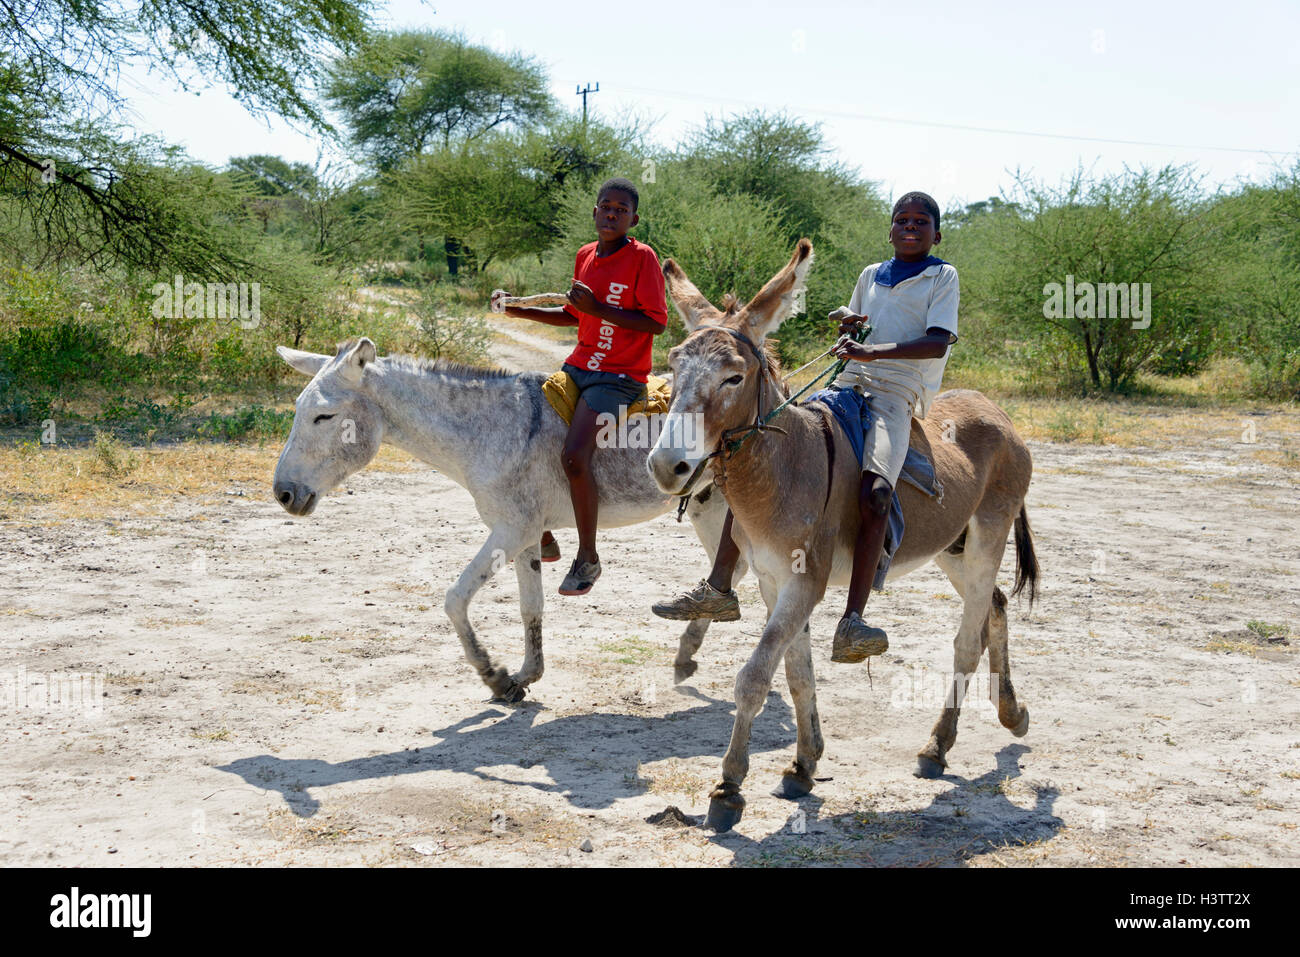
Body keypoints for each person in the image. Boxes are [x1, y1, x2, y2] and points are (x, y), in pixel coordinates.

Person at [651, 191, 959, 663]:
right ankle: (718, 586)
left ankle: (854, 619)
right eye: (902, 220)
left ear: (936, 233)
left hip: (896, 395)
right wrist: (850, 329)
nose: (910, 228)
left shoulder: (943, 277)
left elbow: (937, 342)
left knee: (877, 488)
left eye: (921, 222)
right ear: (891, 229)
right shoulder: (871, 275)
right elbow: (857, 329)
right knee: (753, 452)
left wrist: (873, 352)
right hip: (849, 382)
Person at [492, 177, 668, 596]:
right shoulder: (585, 255)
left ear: (633, 218)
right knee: (524, 432)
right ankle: (543, 537)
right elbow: (575, 315)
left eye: (621, 209)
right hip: (578, 368)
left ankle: (587, 557)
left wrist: (599, 308)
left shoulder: (643, 258)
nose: (611, 213)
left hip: (621, 375)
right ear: (593, 212)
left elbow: (656, 322)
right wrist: (516, 311)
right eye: (605, 206)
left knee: (574, 456)